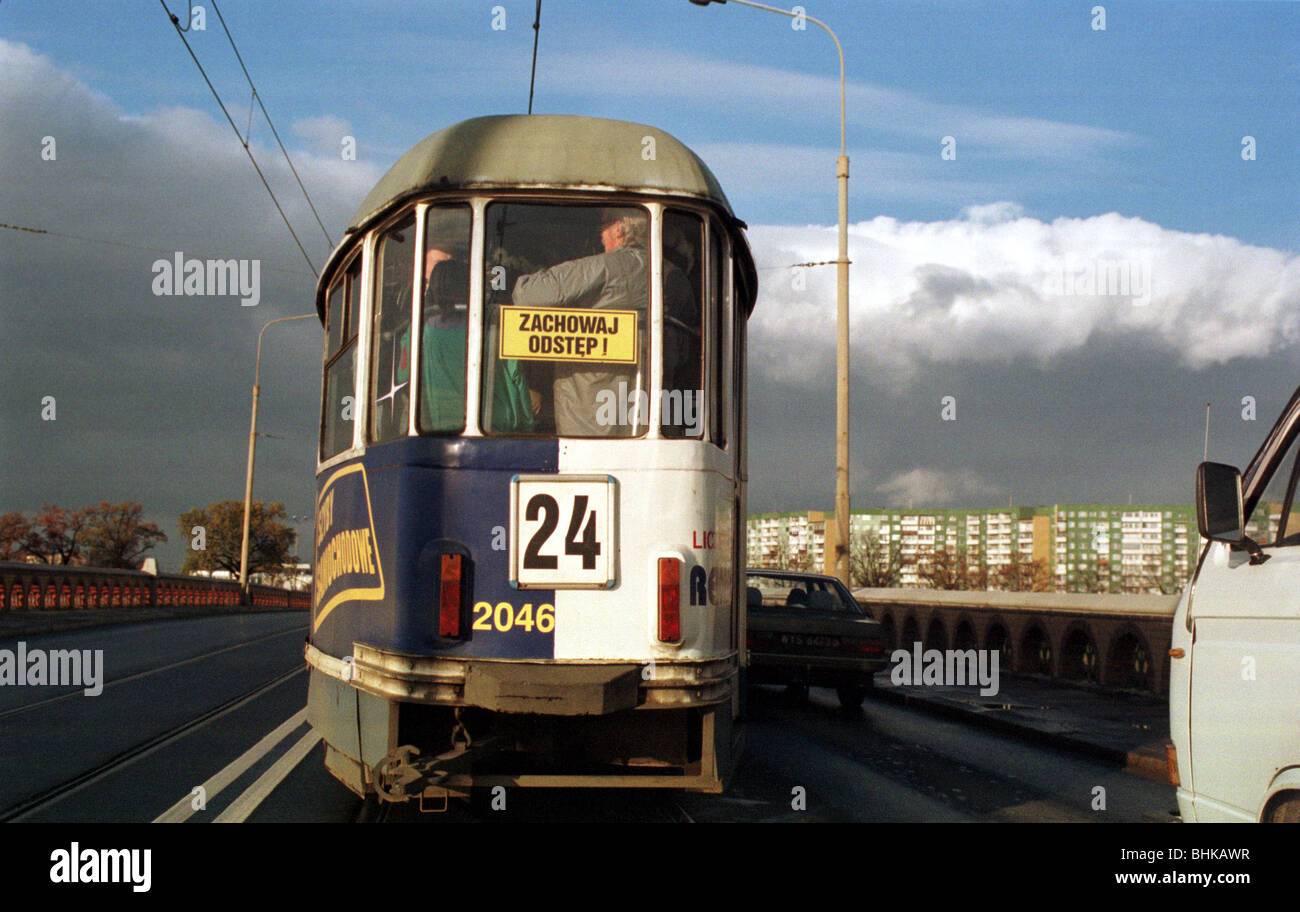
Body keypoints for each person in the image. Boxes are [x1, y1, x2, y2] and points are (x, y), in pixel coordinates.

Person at [510, 210, 649, 436]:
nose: (600, 235)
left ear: (619, 228)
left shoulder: (605, 267)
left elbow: (529, 294)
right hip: (639, 414)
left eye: (603, 226)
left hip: (587, 414)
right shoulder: (661, 271)